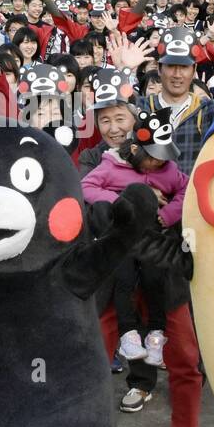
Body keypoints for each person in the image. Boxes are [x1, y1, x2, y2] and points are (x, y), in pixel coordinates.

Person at [81, 106, 186, 367]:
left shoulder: (168, 169)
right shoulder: (112, 164)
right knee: (124, 279)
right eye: (154, 158)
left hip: (153, 235)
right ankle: (128, 336)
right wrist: (126, 201)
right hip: (122, 234)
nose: (159, 162)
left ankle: (155, 335)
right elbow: (86, 186)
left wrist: (169, 214)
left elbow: (186, 189)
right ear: (137, 150)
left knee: (154, 278)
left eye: (163, 157)